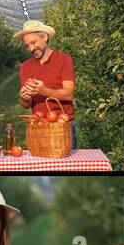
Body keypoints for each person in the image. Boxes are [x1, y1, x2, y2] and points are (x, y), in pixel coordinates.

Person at [15, 20, 76, 149]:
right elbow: (26, 105)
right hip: (38, 125)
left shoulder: (64, 60)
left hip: (62, 125)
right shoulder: (25, 67)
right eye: (27, 45)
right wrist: (23, 97)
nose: (31, 48)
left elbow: (69, 94)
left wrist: (44, 91)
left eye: (33, 42)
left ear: (45, 37)